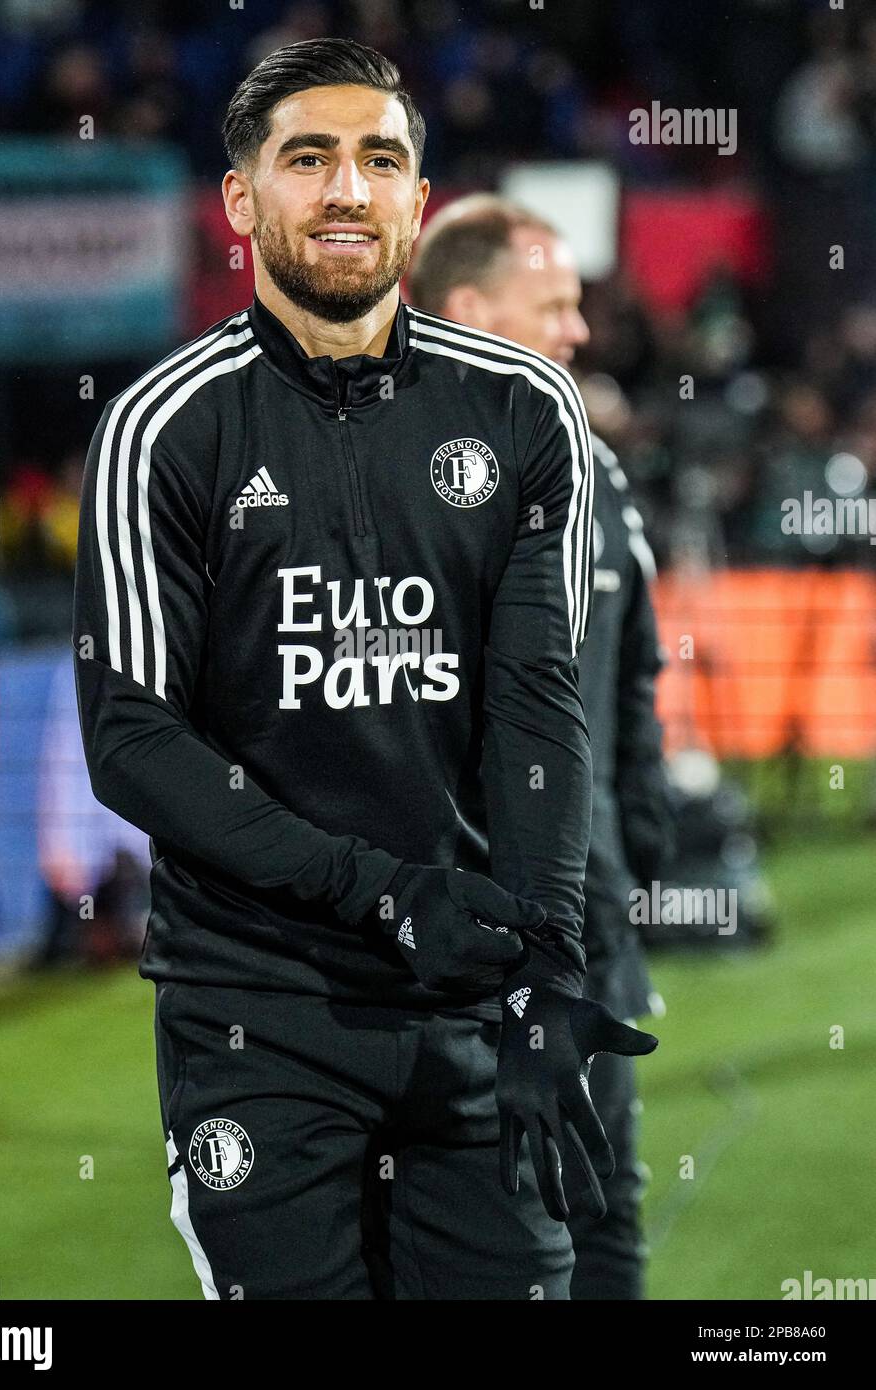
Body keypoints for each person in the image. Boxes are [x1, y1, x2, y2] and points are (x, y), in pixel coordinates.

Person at [72, 38, 657, 1301]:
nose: (348, 189)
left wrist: (552, 967)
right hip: (260, 1017)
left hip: (472, 999)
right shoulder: (160, 429)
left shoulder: (520, 408)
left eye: (380, 159)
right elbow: (131, 739)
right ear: (242, 201)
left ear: (418, 200)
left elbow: (539, 710)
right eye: (310, 159)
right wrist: (385, 892)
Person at [407, 194, 672, 1299]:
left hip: (584, 928)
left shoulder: (599, 478)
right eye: (552, 305)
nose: (576, 330)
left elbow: (633, 683)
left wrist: (633, 853)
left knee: (602, 1214)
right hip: (444, 947)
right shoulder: (389, 477)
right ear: (470, 310)